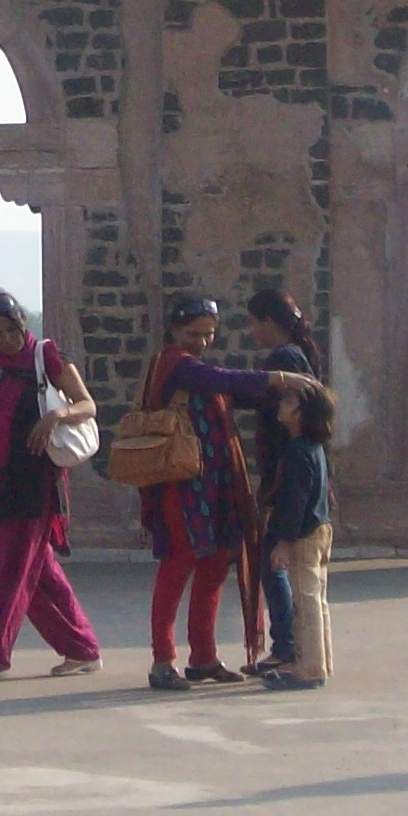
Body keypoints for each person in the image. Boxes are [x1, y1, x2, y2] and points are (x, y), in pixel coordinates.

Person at [132, 295, 309, 692]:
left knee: (214, 566)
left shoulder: (198, 372)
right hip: (180, 484)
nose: (202, 342)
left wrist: (288, 388)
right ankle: (163, 660)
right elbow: (223, 380)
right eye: (194, 334)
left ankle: (203, 657)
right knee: (177, 566)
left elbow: (235, 390)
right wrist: (277, 379)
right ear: (175, 331)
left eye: (208, 334)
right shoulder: (174, 364)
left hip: (212, 484)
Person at [0, 290, 105, 681]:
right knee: (36, 573)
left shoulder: (45, 356)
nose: (7, 340)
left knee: (12, 572)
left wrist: (56, 416)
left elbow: (87, 404)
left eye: (12, 330)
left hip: (36, 479)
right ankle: (82, 648)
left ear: (23, 325)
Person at [240, 289, 318, 676]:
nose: (253, 331)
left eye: (255, 323)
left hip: (284, 474)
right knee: (282, 565)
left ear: (269, 321)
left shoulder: (284, 360)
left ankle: (285, 646)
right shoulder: (300, 354)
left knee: (274, 561)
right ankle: (292, 646)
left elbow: (267, 403)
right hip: (291, 471)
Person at [259, 378, 338, 691]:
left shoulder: (296, 451)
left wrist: (283, 541)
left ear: (302, 414)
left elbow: (295, 501)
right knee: (317, 600)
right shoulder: (314, 448)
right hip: (321, 527)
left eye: (289, 402)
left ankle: (307, 669)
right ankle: (320, 662)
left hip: (304, 533)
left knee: (304, 603)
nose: (282, 405)